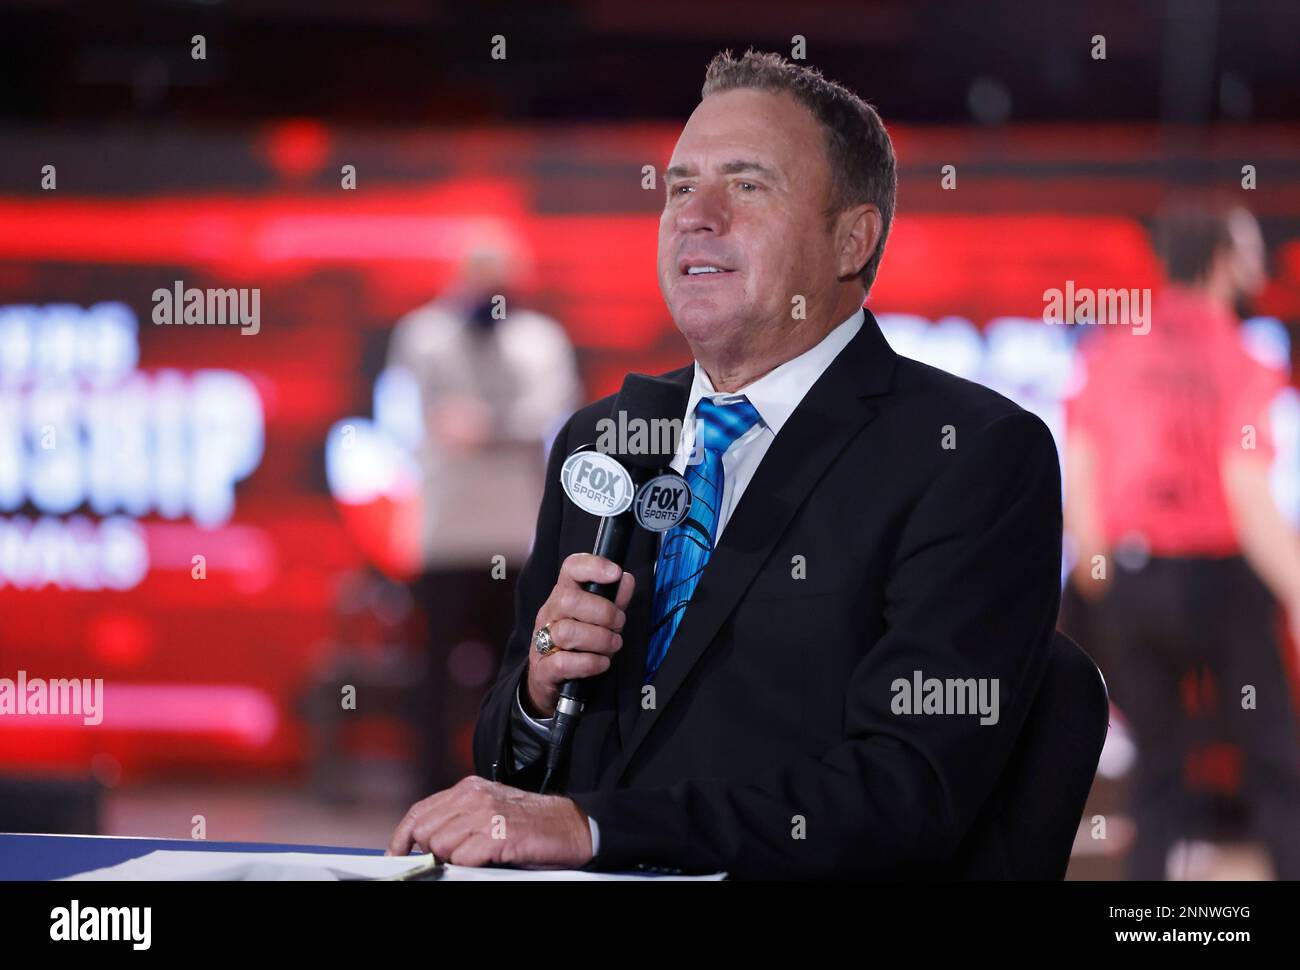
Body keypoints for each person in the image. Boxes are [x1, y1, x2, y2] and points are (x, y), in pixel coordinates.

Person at [388, 49, 1063, 878]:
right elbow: (511, 766)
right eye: (678, 187)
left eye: (747, 185)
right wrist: (536, 690)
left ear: (853, 238)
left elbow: (903, 793)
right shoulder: (607, 439)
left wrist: (594, 829)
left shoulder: (971, 456)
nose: (695, 216)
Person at [1064, 202, 1300, 879]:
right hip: (1223, 582)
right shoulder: (1242, 359)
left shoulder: (1110, 352)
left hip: (1135, 581)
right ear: (1225, 260)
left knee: (1158, 777)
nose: (1263, 263)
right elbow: (1249, 496)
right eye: (1253, 249)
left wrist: (1106, 582)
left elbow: (1081, 480)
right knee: (1275, 766)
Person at [386, 241, 580, 790]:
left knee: (516, 670)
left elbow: (548, 415)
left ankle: (510, 782)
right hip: (443, 536)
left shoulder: (540, 339)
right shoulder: (423, 334)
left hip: (515, 537)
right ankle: (426, 786)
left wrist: (485, 428)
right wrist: (481, 430)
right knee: (433, 675)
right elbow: (422, 417)